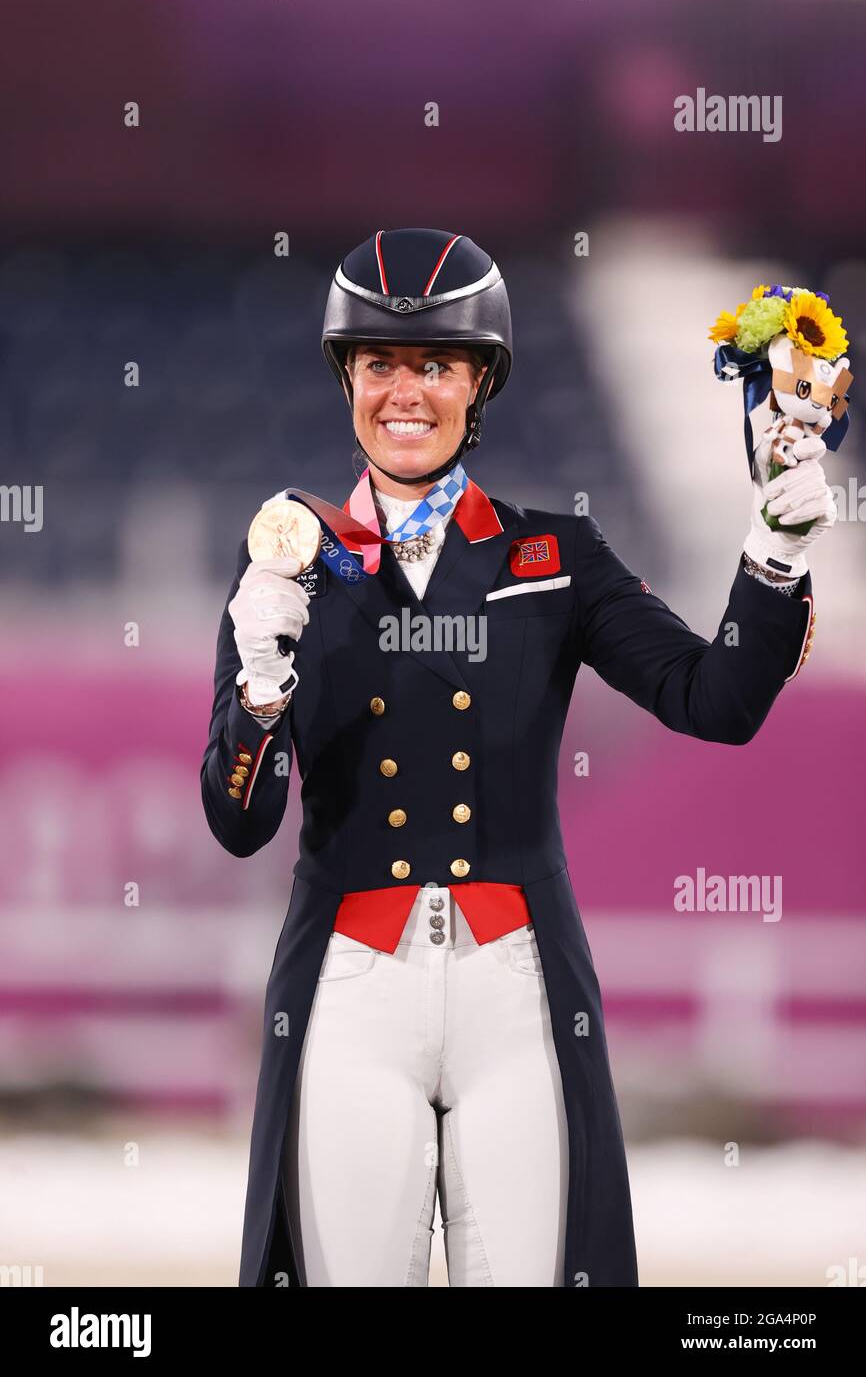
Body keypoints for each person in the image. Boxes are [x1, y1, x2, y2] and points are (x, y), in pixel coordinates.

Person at [201, 228, 832, 1287]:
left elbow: (712, 699)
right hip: (350, 992)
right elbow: (238, 822)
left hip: (518, 993)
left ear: (479, 382)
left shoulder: (553, 558)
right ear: (346, 377)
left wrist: (773, 549)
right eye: (380, 364)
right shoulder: (288, 555)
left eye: (435, 364)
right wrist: (261, 686)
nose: (406, 391)